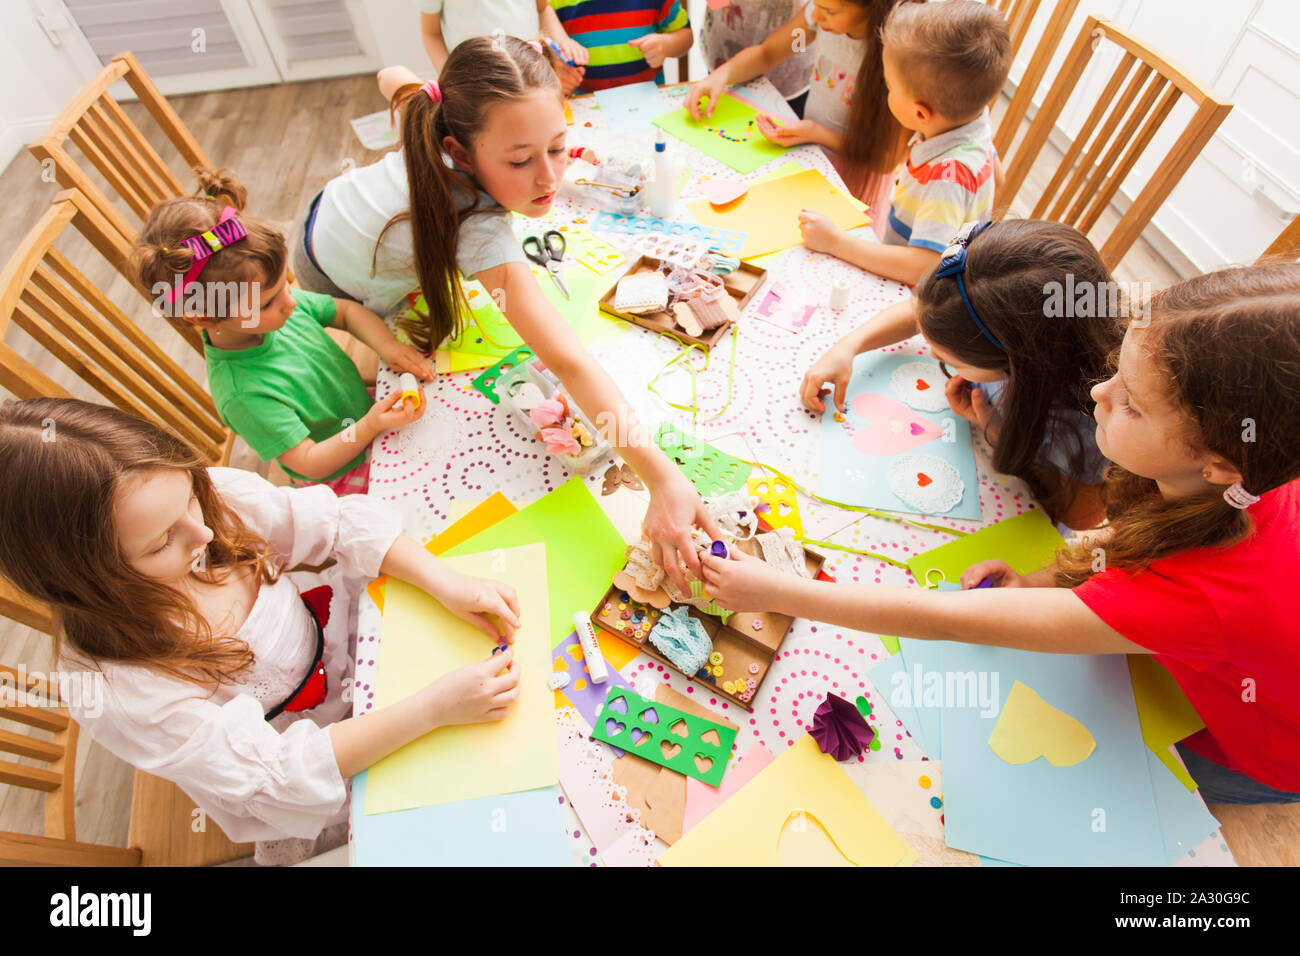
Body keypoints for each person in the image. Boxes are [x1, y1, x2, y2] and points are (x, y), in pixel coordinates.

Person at [704, 263, 1300, 804]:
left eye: (1133, 404)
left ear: (1219, 463)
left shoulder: (1202, 590)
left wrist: (777, 591)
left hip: (1251, 743)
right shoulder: (1256, 472)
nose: (1100, 392)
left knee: (1116, 784)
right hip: (1213, 651)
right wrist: (1038, 581)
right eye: (1116, 372)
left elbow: (945, 620)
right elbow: (1134, 545)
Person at [0, 398, 525, 864]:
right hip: (322, 766)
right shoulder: (122, 689)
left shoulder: (208, 504)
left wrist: (448, 581)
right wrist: (433, 709)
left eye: (189, 497)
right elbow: (282, 774)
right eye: (162, 543)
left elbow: (336, 523)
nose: (203, 532)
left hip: (357, 666)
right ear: (82, 579)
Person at [292, 37, 720, 587]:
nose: (548, 177)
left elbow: (390, 73)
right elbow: (569, 361)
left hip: (330, 205)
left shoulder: (431, 103)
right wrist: (662, 479)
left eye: (559, 147)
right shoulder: (476, 226)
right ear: (461, 150)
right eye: (520, 159)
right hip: (330, 274)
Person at [801, 220, 1120, 529]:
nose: (936, 356)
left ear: (1018, 366)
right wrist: (850, 346)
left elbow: (1079, 516)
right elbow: (926, 310)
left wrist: (995, 429)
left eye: (946, 357)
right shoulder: (1010, 304)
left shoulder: (1097, 422)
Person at [134, 171, 432, 494]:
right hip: (341, 474)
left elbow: (344, 312)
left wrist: (388, 347)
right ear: (206, 317)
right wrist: (369, 426)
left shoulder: (277, 309)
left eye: (284, 286)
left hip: (365, 418)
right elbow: (309, 460)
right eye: (268, 302)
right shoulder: (242, 395)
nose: (291, 302)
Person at [793, 0, 1011, 284]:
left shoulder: (949, 176)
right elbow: (999, 179)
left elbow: (922, 266)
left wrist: (836, 241)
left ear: (921, 113)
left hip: (907, 293)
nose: (886, 92)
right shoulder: (974, 120)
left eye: (890, 87)